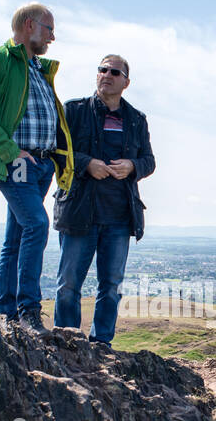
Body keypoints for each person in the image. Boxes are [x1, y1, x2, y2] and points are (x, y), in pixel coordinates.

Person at [0, 2, 74, 332]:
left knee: (16, 236)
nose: (53, 36)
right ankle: (28, 310)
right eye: (49, 28)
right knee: (37, 225)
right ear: (29, 25)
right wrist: (11, 151)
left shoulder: (39, 69)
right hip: (17, 164)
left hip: (41, 166)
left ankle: (6, 311)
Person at [53, 54, 155, 346]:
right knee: (68, 286)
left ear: (126, 82)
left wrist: (133, 167)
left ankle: (101, 345)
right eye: (102, 69)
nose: (106, 75)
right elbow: (56, 150)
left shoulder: (136, 119)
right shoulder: (74, 111)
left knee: (111, 287)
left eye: (114, 72)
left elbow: (149, 160)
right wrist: (87, 164)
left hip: (120, 216)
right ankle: (68, 344)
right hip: (79, 211)